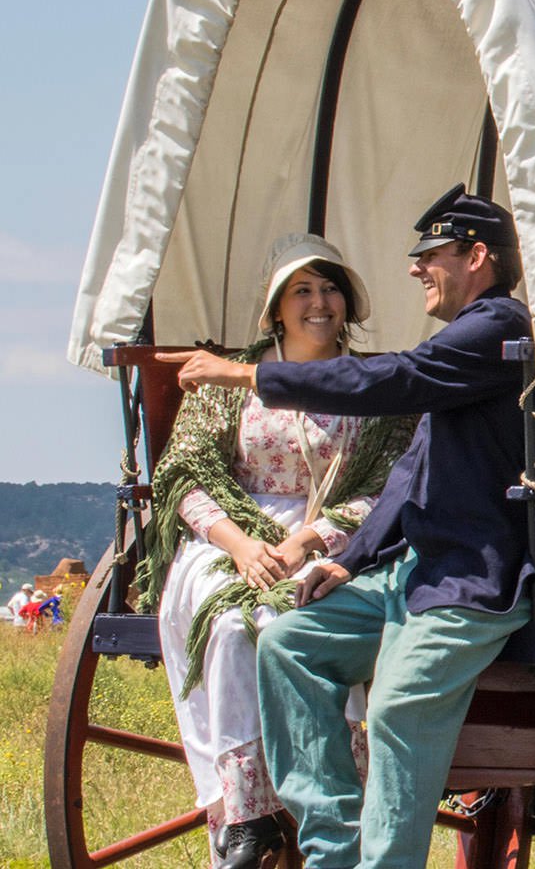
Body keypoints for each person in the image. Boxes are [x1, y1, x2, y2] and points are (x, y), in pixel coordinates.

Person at [161, 185, 534, 869]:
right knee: (290, 645)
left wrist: (248, 373)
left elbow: (392, 380)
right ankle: (331, 852)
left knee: (397, 710)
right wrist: (350, 560)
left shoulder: (500, 326)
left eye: (433, 255)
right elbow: (411, 472)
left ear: (477, 256)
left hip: (470, 581)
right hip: (410, 573)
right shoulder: (460, 340)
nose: (418, 268)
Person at [141, 234, 417, 869]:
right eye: (303, 290)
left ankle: (326, 798)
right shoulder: (228, 378)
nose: (319, 302)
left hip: (337, 538)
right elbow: (184, 473)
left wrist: (308, 540)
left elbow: (392, 484)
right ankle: (246, 819)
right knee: (235, 625)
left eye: (329, 288)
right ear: (276, 309)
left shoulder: (373, 384)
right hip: (232, 534)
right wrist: (240, 545)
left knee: (293, 625)